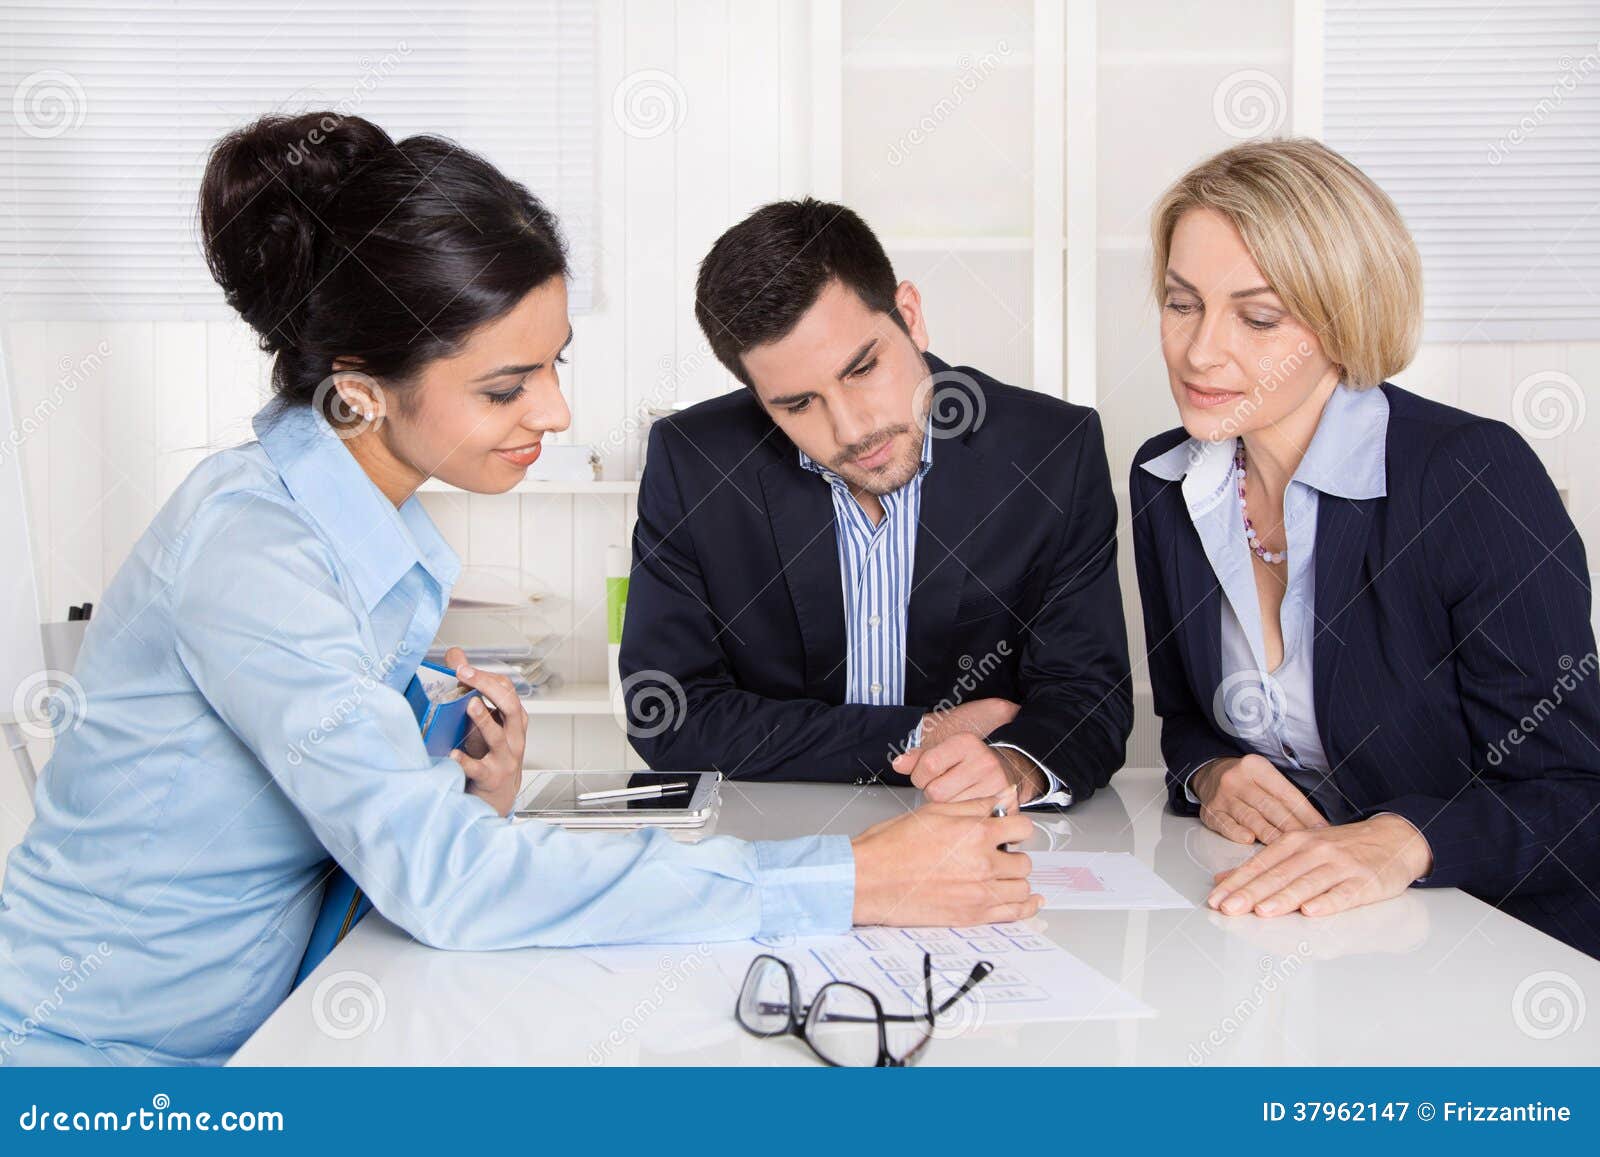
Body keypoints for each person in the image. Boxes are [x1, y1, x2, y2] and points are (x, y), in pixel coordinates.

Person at [0, 114, 1042, 1067]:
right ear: (360, 389)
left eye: (553, 362)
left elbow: (341, 839)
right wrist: (850, 880)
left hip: (273, 1025)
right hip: (97, 1063)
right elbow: (443, 882)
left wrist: (452, 795)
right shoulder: (255, 550)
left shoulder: (368, 522)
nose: (553, 408)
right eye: (505, 385)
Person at [1129, 138, 1600, 957]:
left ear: (1344, 325)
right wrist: (1212, 775)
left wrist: (1408, 838)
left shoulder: (1467, 477)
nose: (1200, 351)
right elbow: (1186, 719)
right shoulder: (1166, 480)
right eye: (1182, 303)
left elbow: (1579, 793)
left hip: (1494, 947)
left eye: (1258, 316)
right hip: (1296, 932)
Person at [619, 198, 1132, 809]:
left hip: (978, 831)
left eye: (862, 369)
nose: (851, 429)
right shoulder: (692, 463)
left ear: (910, 317)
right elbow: (669, 714)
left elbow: (1088, 696)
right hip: (779, 835)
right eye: (797, 404)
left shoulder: (1051, 451)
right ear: (757, 396)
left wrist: (1012, 763)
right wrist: (919, 735)